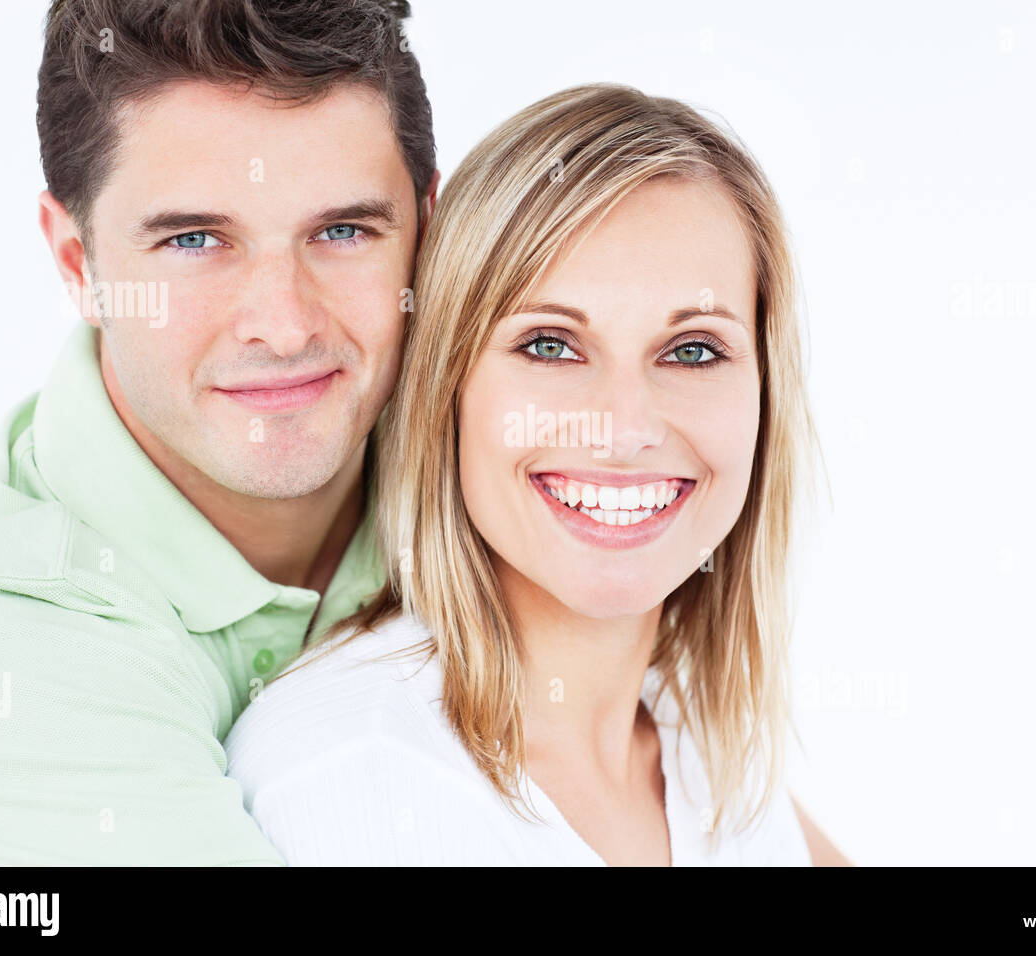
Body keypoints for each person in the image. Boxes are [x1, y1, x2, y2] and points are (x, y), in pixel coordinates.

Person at [225, 83, 851, 865]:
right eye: (550, 345)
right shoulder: (350, 770)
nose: (625, 432)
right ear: (446, 387)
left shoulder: (718, 761)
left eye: (693, 350)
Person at [0, 0, 436, 864]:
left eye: (343, 231)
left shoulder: (524, 465)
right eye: (195, 240)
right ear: (79, 264)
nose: (286, 326)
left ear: (426, 226)